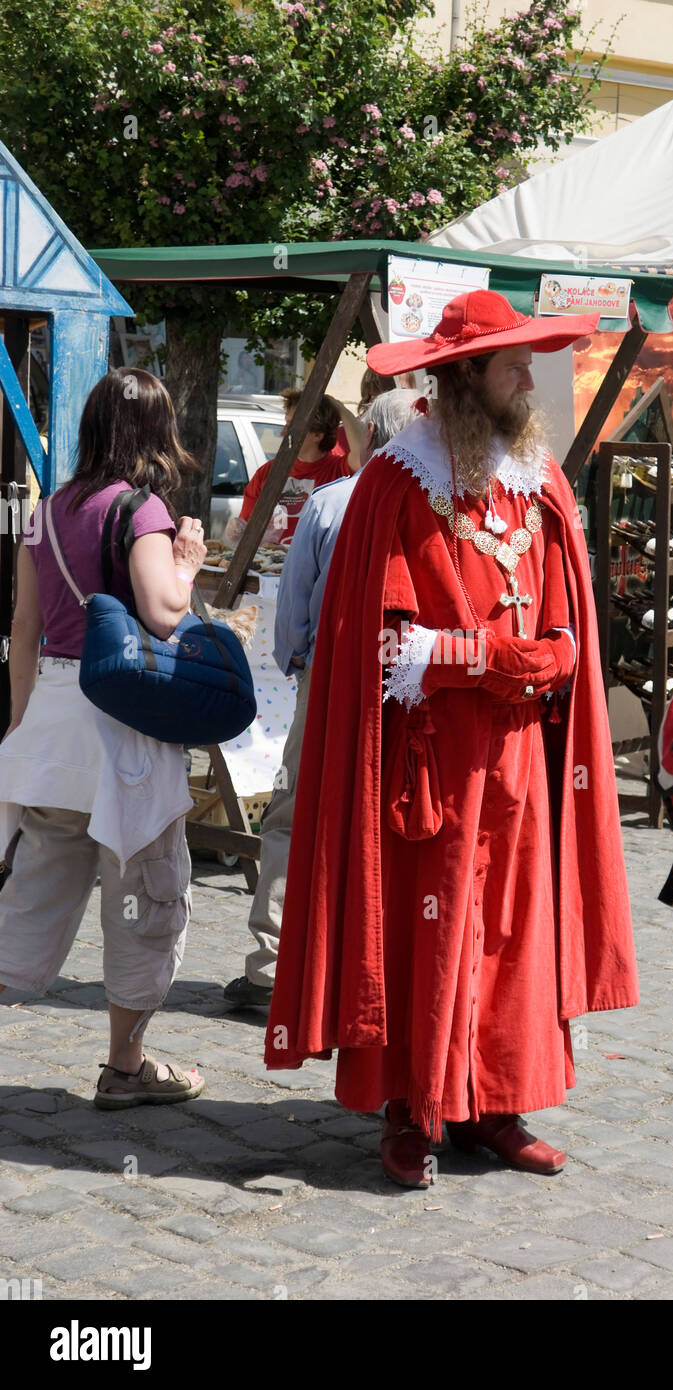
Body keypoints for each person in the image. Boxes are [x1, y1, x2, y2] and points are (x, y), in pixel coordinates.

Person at [263, 290, 639, 1187]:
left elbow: (563, 632)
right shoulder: (395, 483)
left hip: (517, 762)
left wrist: (538, 659)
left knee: (509, 931)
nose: (527, 378)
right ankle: (411, 1107)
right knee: (427, 929)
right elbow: (385, 649)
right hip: (425, 767)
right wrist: (493, 657)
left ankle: (494, 1104)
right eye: (512, 364)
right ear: (464, 375)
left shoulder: (540, 480)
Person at [0, 367, 207, 1109]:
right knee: (146, 894)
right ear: (156, 432)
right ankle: (125, 1066)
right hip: (124, 729)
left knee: (30, 892)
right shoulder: (142, 511)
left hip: (53, 724)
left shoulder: (48, 511)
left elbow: (24, 630)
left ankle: (124, 1064)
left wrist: (23, 720)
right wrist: (187, 564)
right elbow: (160, 611)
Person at [224, 389, 421, 1006]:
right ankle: (378, 968)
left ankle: (272, 964)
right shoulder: (432, 505)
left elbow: (294, 606)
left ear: (365, 438)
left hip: (334, 677)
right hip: (410, 683)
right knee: (396, 816)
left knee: (293, 810)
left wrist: (298, 661)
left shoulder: (332, 501)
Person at [225, 390, 365, 545]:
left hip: (317, 567)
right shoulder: (268, 472)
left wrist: (340, 409)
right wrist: (237, 529)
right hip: (270, 566)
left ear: (317, 435)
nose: (283, 432)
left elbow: (362, 455)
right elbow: (246, 530)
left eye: (291, 426)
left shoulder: (340, 470)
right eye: (286, 423)